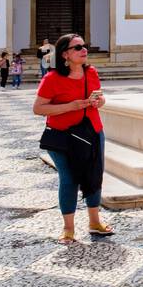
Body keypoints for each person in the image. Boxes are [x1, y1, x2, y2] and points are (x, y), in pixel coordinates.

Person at [33, 33, 112, 244]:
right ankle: (68, 228)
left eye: (84, 46)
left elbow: (100, 97)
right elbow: (38, 108)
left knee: (94, 175)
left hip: (91, 132)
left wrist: (98, 102)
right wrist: (71, 106)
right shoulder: (52, 78)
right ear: (65, 54)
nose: (83, 50)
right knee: (69, 179)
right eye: (77, 47)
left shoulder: (91, 72)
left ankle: (94, 222)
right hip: (62, 136)